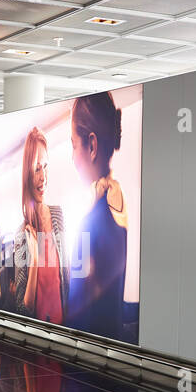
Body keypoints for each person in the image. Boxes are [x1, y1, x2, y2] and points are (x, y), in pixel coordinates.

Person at [65, 90, 129, 340]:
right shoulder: (118, 205)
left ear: (91, 145)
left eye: (73, 145)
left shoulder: (89, 223)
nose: (72, 157)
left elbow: (78, 314)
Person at [13, 126, 67, 324]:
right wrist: (35, 260)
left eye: (45, 166)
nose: (43, 177)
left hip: (64, 329)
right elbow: (23, 309)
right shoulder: (21, 234)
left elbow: (66, 280)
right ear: (27, 175)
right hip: (40, 337)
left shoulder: (57, 215)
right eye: (37, 168)